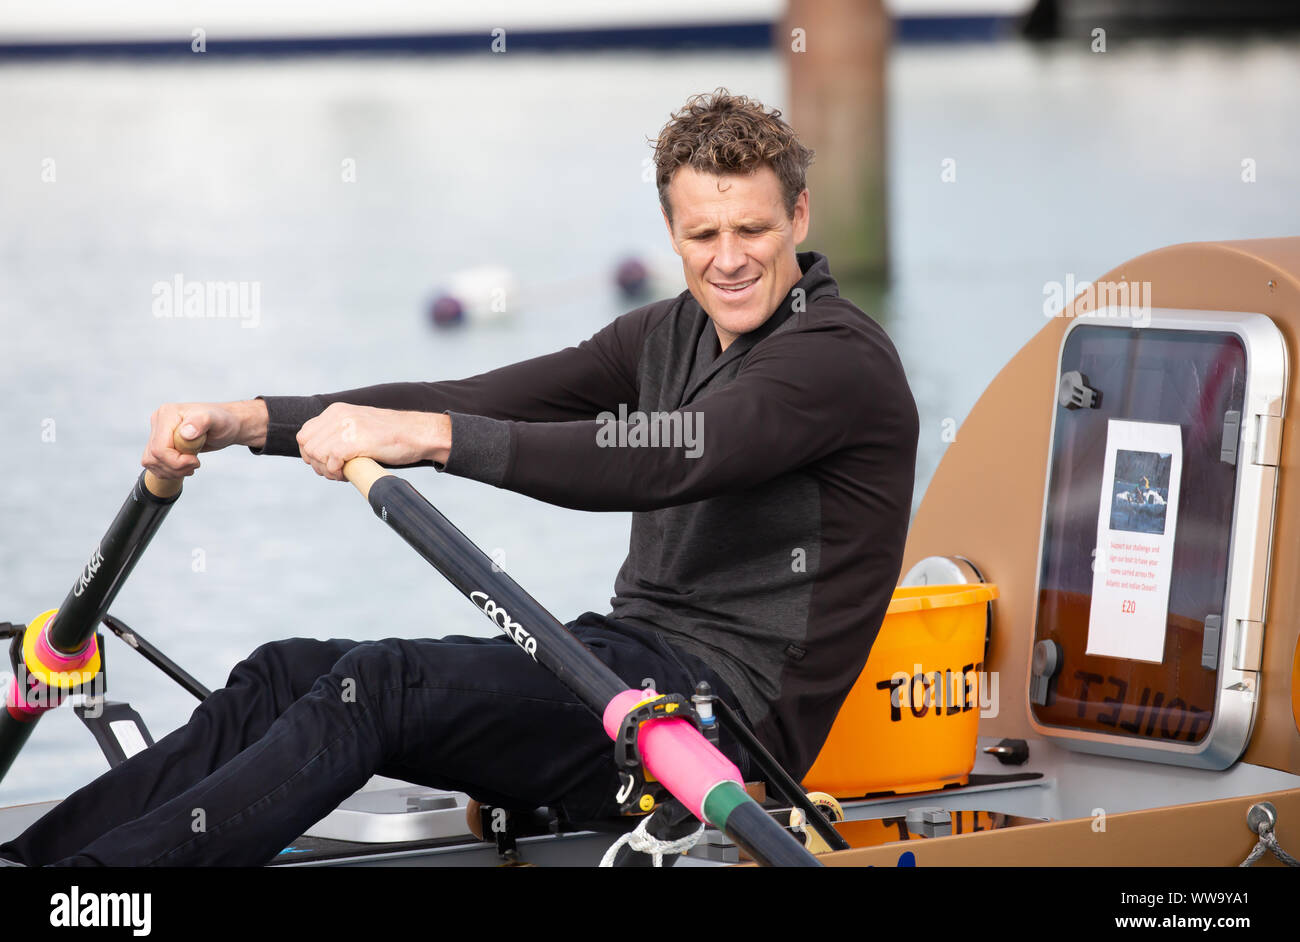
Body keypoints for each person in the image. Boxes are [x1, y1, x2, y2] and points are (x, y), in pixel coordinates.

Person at [0, 89, 918, 867]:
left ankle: (96, 896)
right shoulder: (667, 331)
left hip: (720, 727)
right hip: (623, 663)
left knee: (380, 686)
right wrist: (253, 419)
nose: (729, 258)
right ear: (672, 233)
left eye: (753, 228)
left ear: (798, 217)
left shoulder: (836, 360)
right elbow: (478, 394)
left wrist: (433, 440)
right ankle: (34, 865)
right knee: (284, 673)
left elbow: (670, 450)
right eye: (704, 232)